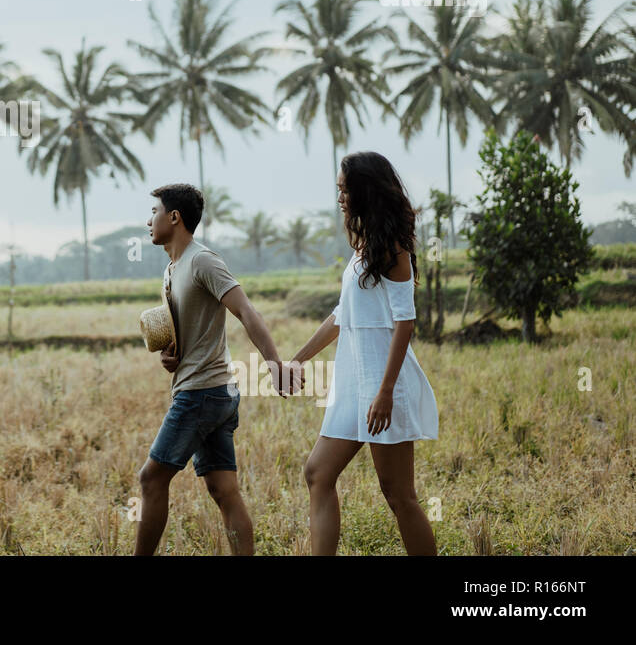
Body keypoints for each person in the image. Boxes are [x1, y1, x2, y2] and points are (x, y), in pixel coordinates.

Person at [135, 182, 298, 556]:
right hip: (213, 390)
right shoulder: (172, 269)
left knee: (151, 479)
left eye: (155, 212)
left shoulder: (203, 260)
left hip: (202, 394)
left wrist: (275, 365)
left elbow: (245, 311)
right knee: (223, 491)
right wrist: (170, 357)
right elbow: (187, 334)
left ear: (174, 217)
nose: (149, 221)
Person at [291, 152, 438, 555]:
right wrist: (298, 359)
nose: (340, 196)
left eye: (344, 189)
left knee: (398, 495)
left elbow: (405, 323)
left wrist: (385, 392)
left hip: (382, 385)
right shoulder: (363, 248)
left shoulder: (394, 249)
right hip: (352, 384)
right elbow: (342, 316)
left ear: (364, 190)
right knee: (318, 473)